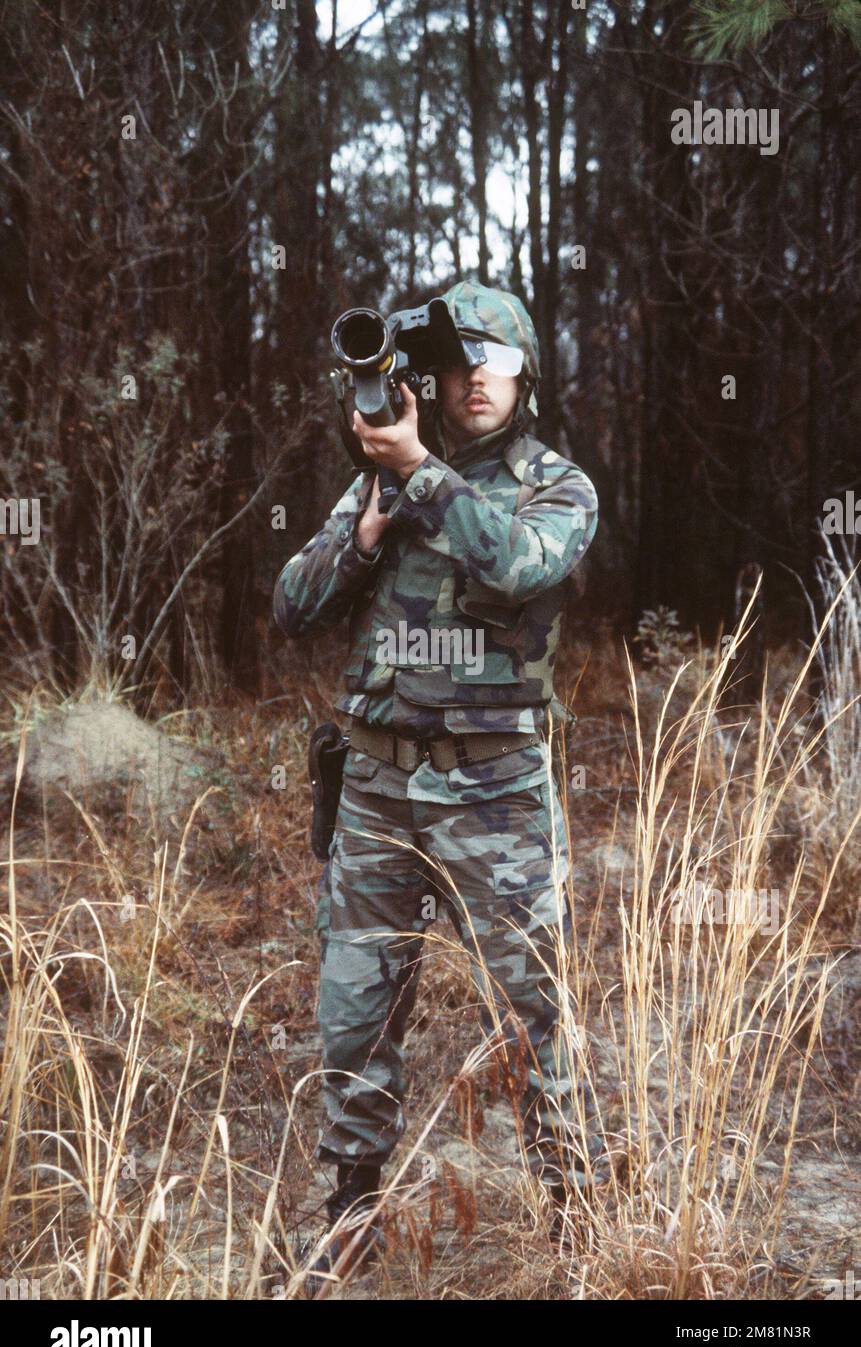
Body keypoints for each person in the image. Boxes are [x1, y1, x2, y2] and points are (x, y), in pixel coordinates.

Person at [273, 280, 602, 1288]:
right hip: (375, 787)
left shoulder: (557, 485)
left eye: (495, 363)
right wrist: (367, 526)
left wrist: (419, 472)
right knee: (355, 1007)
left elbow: (516, 568)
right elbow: (293, 606)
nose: (474, 382)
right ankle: (353, 1207)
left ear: (525, 376)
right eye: (460, 364)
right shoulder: (382, 482)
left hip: (495, 790)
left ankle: (574, 1207)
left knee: (534, 1005)